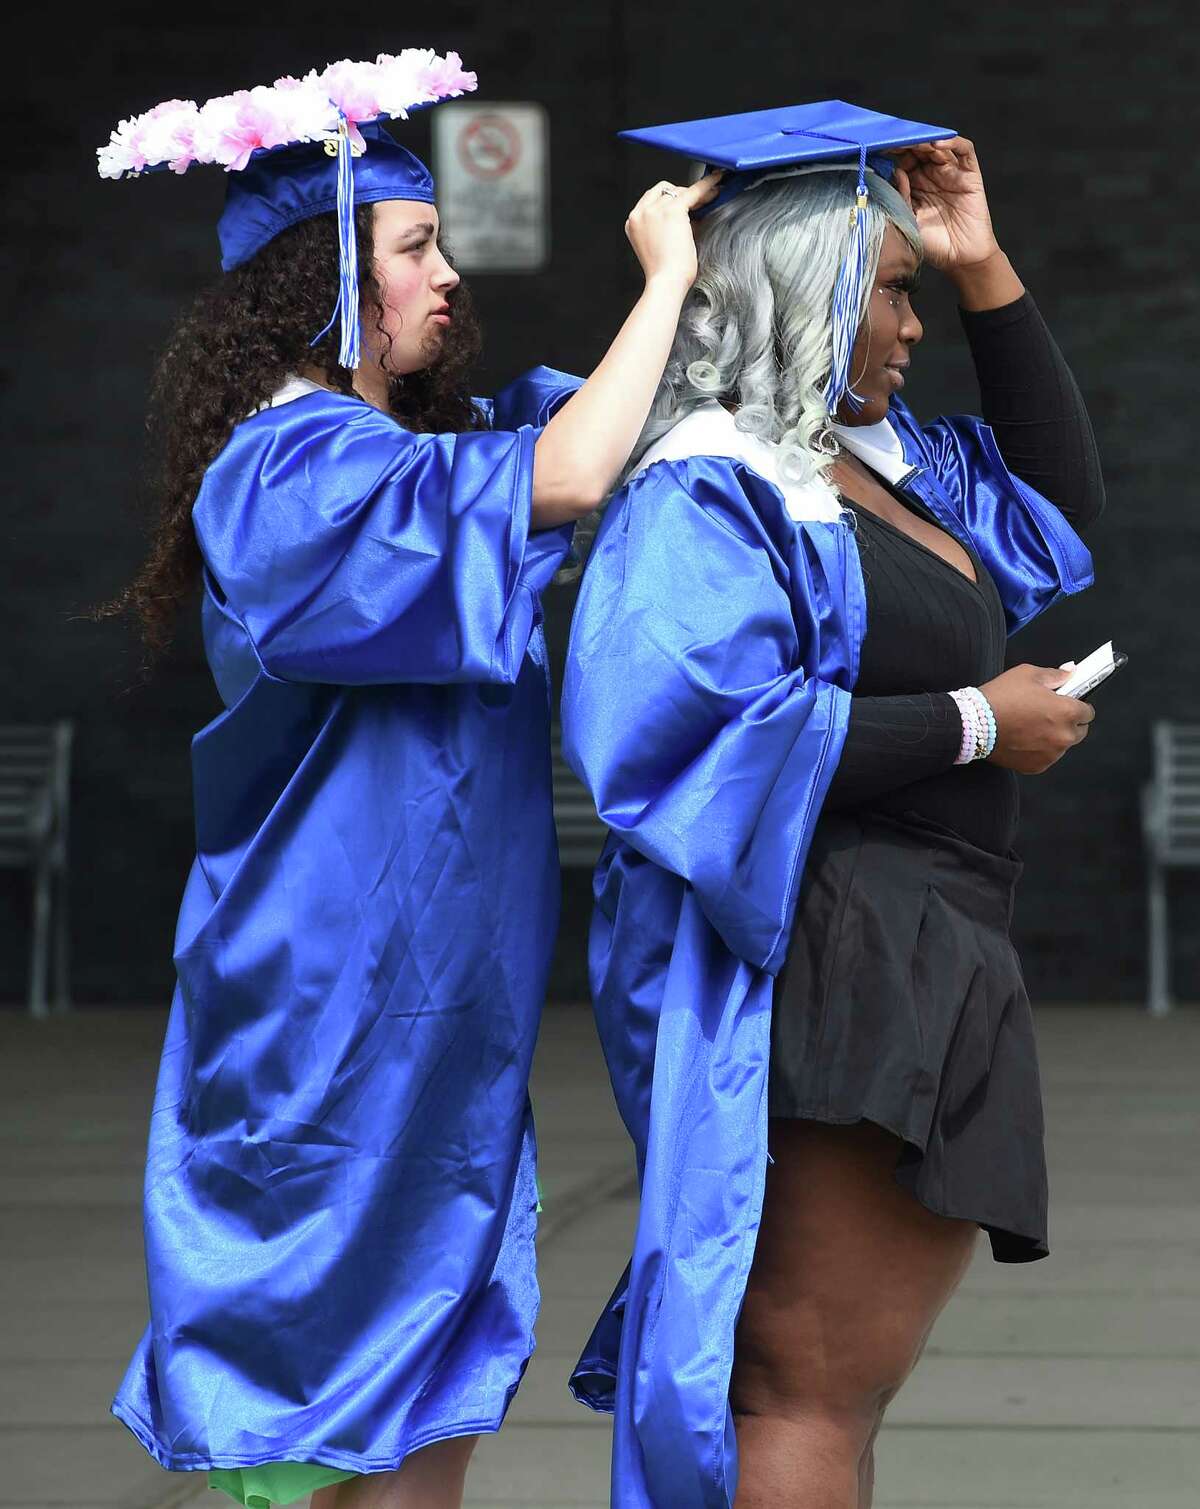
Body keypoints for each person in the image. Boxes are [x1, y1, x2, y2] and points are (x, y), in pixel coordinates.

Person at [95, 54, 716, 1509]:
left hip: (434, 1027)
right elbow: (562, 476)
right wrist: (664, 276)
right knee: (334, 1402)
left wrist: (725, 273)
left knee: (427, 1394)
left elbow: (590, 442)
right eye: (413, 248)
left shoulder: (416, 451)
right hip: (331, 1027)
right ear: (322, 283)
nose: (447, 276)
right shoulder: (286, 472)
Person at [562, 102, 1104, 1508]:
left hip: (925, 941)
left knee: (832, 1396)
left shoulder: (876, 468)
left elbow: (1060, 508)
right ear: (806, 289)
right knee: (805, 1387)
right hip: (836, 952)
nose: (913, 326)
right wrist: (982, 719)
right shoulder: (712, 486)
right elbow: (698, 735)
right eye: (896, 290)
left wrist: (984, 264)